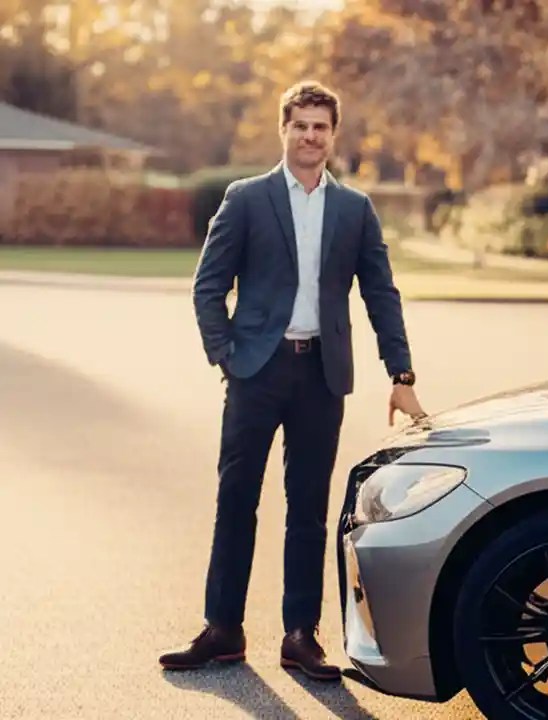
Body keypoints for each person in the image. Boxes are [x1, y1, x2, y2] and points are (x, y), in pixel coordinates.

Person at [160, 81, 426, 681]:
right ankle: (223, 629)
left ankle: (300, 636)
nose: (311, 137)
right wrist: (226, 354)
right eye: (301, 125)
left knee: (308, 510)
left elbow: (381, 293)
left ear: (333, 136)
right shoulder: (247, 198)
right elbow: (208, 285)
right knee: (237, 501)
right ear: (284, 130)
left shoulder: (354, 209)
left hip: (320, 377)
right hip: (256, 371)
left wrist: (400, 373)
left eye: (321, 127)